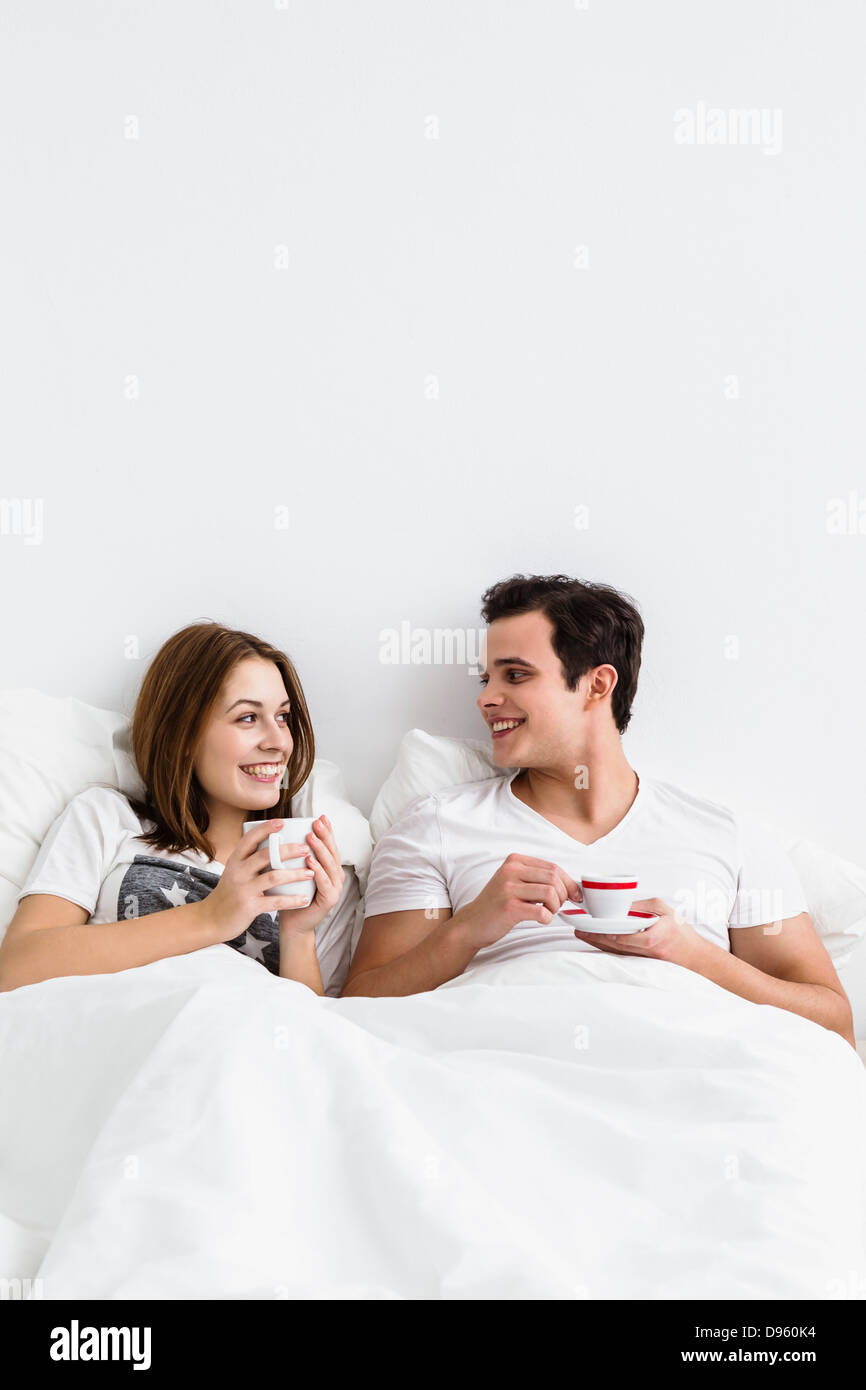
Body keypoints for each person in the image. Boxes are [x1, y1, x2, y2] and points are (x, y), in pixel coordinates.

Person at [341, 574, 856, 1050]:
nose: (487, 700)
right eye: (486, 681)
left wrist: (691, 954)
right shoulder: (435, 827)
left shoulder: (725, 835)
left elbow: (833, 1024)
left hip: (692, 1074)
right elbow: (358, 1012)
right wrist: (470, 928)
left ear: (597, 684)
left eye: (515, 675)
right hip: (504, 1075)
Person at [0, 622, 355, 996]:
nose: (279, 741)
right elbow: (16, 968)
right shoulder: (107, 819)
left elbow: (313, 1036)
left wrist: (298, 934)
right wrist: (210, 916)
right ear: (182, 734)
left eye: (283, 716)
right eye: (248, 717)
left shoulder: (305, 871)